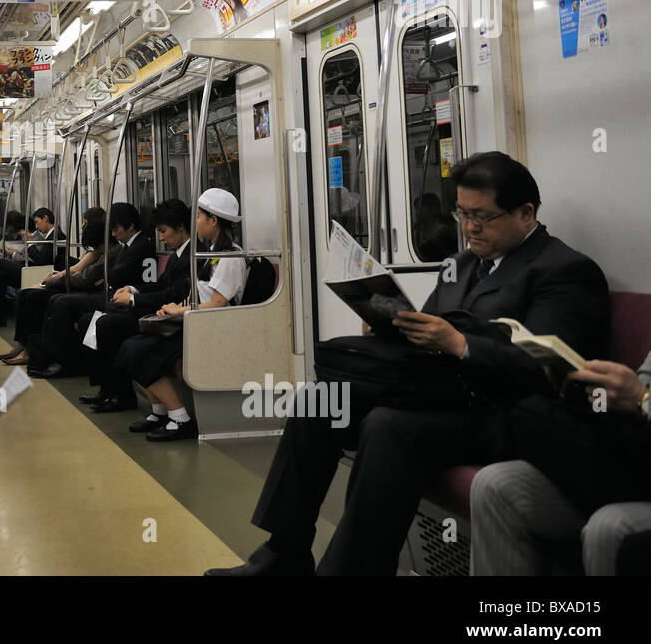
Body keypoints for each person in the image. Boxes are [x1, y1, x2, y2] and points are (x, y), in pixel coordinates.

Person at [206, 152, 609, 576]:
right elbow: (430, 331)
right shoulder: (461, 264)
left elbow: (546, 369)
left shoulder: (563, 271)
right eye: (463, 214)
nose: (470, 228)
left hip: (499, 412)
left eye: (483, 217)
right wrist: (391, 325)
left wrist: (459, 343)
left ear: (526, 213)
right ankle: (282, 554)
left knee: (386, 424)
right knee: (318, 401)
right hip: (438, 392)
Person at [470, 348, 651, 575]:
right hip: (636, 470)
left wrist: (642, 399)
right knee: (495, 484)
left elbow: (641, 397)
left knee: (610, 527)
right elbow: (639, 395)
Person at [117, 189, 246, 440]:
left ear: (213, 220)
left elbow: (218, 303)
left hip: (211, 328)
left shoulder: (229, 256)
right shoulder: (211, 252)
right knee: (129, 346)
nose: (194, 222)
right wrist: (175, 309)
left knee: (138, 352)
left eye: (198, 216)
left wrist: (180, 310)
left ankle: (180, 418)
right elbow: (200, 294)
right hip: (195, 322)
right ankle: (160, 411)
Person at [80, 198, 212, 414]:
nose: (160, 237)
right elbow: (161, 284)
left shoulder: (193, 256)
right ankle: (107, 388)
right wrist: (133, 289)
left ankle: (121, 393)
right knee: (93, 319)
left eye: (163, 230)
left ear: (180, 227)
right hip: (160, 308)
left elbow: (175, 294)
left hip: (171, 317)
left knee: (107, 325)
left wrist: (134, 300)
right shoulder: (178, 254)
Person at [25, 202, 155, 378]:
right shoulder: (125, 246)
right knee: (57, 302)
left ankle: (67, 362)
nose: (114, 234)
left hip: (115, 298)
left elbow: (113, 275)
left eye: (116, 229)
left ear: (130, 226)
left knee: (63, 304)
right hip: (110, 293)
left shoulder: (137, 246)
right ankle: (54, 356)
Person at [0, 207, 105, 363]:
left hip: (82, 287)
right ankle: (24, 344)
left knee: (35, 297)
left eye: (85, 224)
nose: (82, 228)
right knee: (26, 293)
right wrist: (56, 276)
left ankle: (32, 350)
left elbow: (81, 275)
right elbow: (76, 270)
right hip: (74, 282)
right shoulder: (95, 250)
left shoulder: (62, 238)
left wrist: (53, 280)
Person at [0, 207, 66, 328]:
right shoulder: (50, 236)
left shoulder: (55, 236)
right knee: (1, 276)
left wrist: (30, 243)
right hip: (35, 270)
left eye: (37, 222)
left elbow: (42, 261)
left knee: (1, 263)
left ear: (46, 219)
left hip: (39, 273)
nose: (36, 226)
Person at [413, 191, 458, 263]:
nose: (417, 213)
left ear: (433, 209)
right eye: (416, 209)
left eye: (420, 209)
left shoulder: (444, 232)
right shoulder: (423, 231)